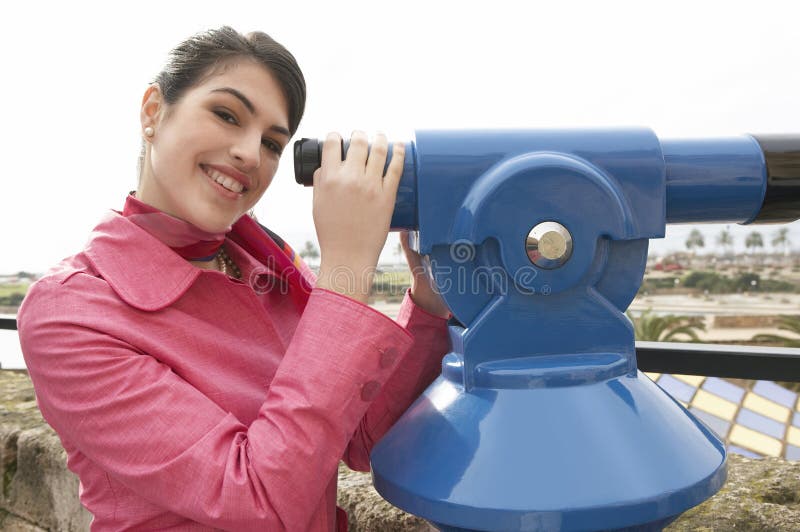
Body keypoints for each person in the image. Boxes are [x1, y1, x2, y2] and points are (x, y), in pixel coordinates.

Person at [17, 26, 450, 531]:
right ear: (153, 111)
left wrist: (429, 297)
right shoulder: (72, 314)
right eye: (226, 115)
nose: (250, 154)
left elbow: (356, 435)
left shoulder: (269, 271)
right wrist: (345, 273)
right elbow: (253, 499)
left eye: (272, 142)